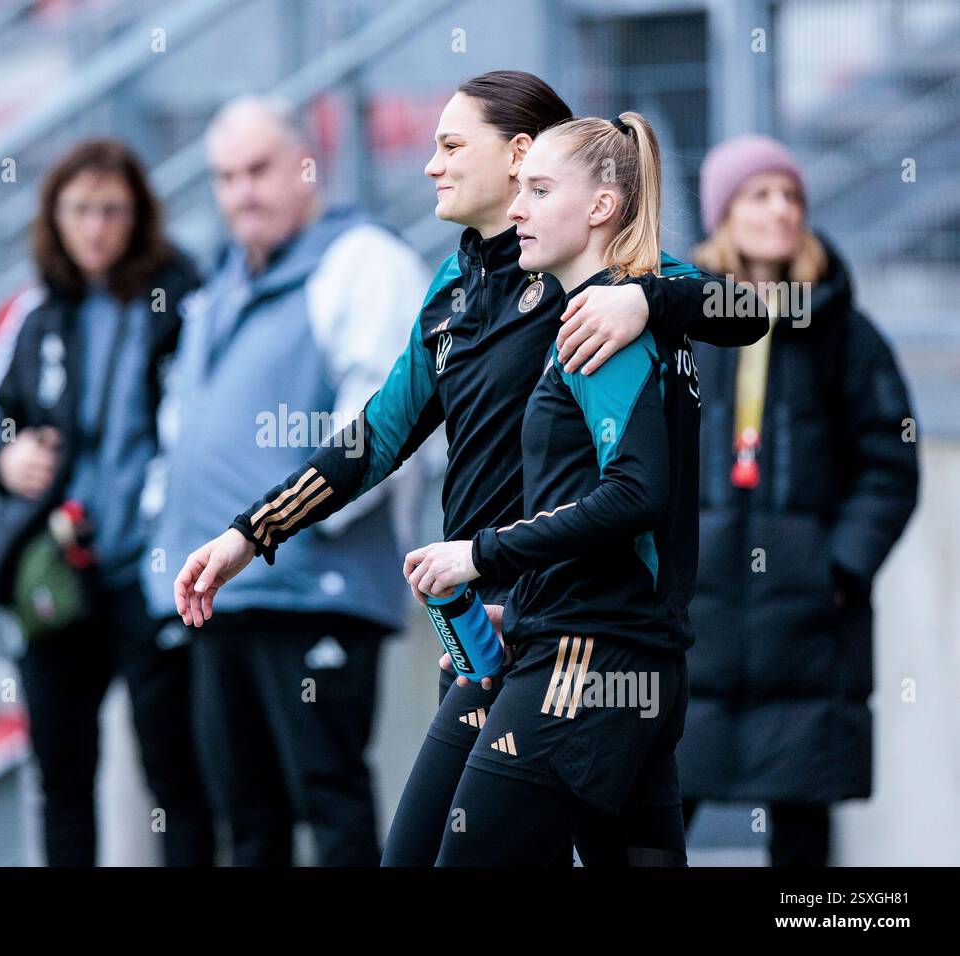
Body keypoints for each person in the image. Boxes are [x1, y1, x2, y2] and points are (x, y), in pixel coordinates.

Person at [172, 71, 767, 865]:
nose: (431, 164)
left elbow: (747, 311)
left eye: (452, 145)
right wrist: (252, 534)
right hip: (500, 628)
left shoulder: (594, 273)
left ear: (519, 156)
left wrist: (649, 301)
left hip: (584, 628)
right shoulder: (456, 287)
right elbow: (374, 439)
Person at [398, 111, 700, 866]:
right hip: (597, 645)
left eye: (538, 189)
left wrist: (482, 554)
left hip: (588, 658)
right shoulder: (607, 311)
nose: (519, 207)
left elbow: (635, 496)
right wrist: (522, 601)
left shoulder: (606, 324)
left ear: (601, 207)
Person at [140, 95, 430, 866]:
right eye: (225, 176)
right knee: (247, 815)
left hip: (314, 591)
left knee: (326, 799)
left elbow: (379, 427)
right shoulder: (221, 283)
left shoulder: (362, 260)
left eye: (259, 169)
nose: (241, 191)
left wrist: (293, 529)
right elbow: (184, 428)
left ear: (308, 165)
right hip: (223, 594)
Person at [677, 135, 919, 866]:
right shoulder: (681, 319)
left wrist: (837, 569)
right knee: (653, 817)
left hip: (810, 628)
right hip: (698, 620)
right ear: (724, 213)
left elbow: (891, 462)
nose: (781, 210)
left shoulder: (845, 331)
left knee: (803, 841)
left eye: (792, 196)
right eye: (759, 194)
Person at [0, 139, 213, 866]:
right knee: (62, 776)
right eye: (80, 210)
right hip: (61, 569)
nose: (96, 227)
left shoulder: (186, 296)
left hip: (155, 572)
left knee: (177, 776)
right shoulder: (38, 310)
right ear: (55, 217)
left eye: (112, 209)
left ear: (137, 216)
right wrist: (5, 455)